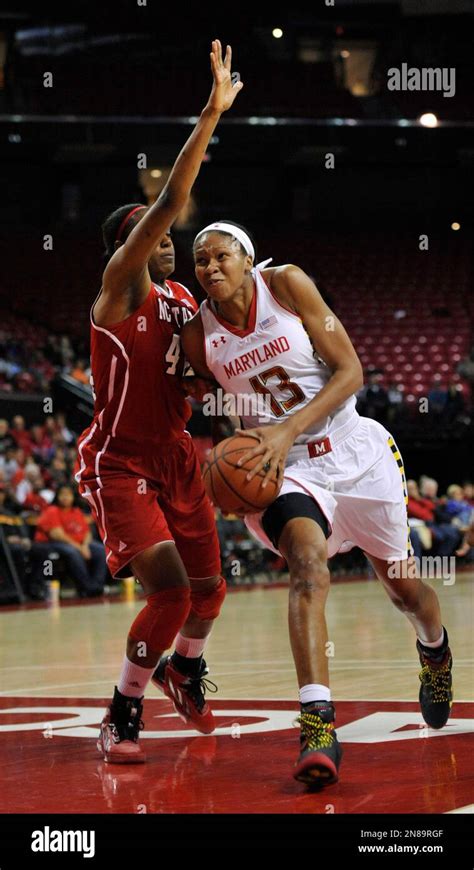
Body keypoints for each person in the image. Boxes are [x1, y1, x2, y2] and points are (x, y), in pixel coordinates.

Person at [181, 220, 453, 786]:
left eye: (220, 255)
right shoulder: (196, 336)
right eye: (199, 259)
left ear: (247, 257)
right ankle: (318, 725)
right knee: (307, 565)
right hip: (286, 471)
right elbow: (214, 409)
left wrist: (287, 428)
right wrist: (226, 464)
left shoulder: (286, 286)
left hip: (355, 451)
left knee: (404, 585)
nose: (209, 266)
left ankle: (435, 651)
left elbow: (350, 370)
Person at [74, 42, 242, 763]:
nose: (168, 237)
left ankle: (185, 669)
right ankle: (122, 711)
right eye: (152, 232)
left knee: (212, 593)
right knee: (171, 594)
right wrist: (210, 112)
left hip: (177, 454)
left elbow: (204, 373)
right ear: (127, 247)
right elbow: (174, 198)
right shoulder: (121, 289)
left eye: (168, 234)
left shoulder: (181, 301)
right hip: (122, 462)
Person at [32, 484, 106, 597]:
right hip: (53, 543)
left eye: (68, 494)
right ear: (57, 496)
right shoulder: (52, 510)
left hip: (80, 544)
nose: (65, 497)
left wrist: (85, 546)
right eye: (62, 494)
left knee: (101, 550)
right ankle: (86, 587)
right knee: (72, 552)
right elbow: (57, 535)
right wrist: (80, 548)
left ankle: (97, 586)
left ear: (73, 497)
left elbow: (87, 533)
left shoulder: (76, 511)